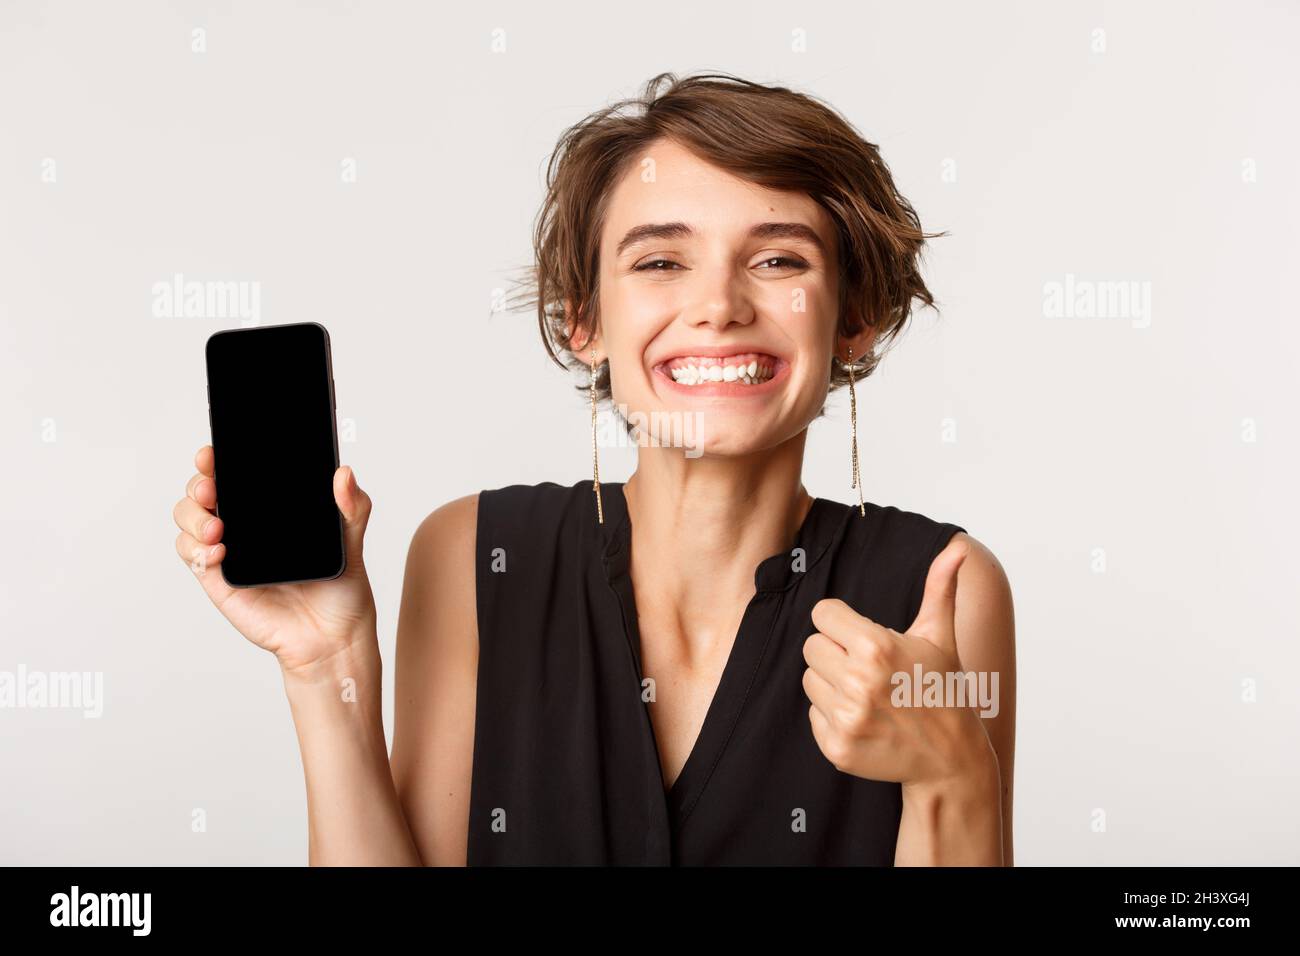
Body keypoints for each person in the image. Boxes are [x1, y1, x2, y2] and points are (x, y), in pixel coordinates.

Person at [172, 72, 1015, 866]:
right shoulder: (472, 557)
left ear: (853, 321)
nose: (719, 305)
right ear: (584, 323)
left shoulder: (942, 591)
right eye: (658, 262)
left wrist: (954, 776)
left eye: (779, 260)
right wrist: (327, 671)